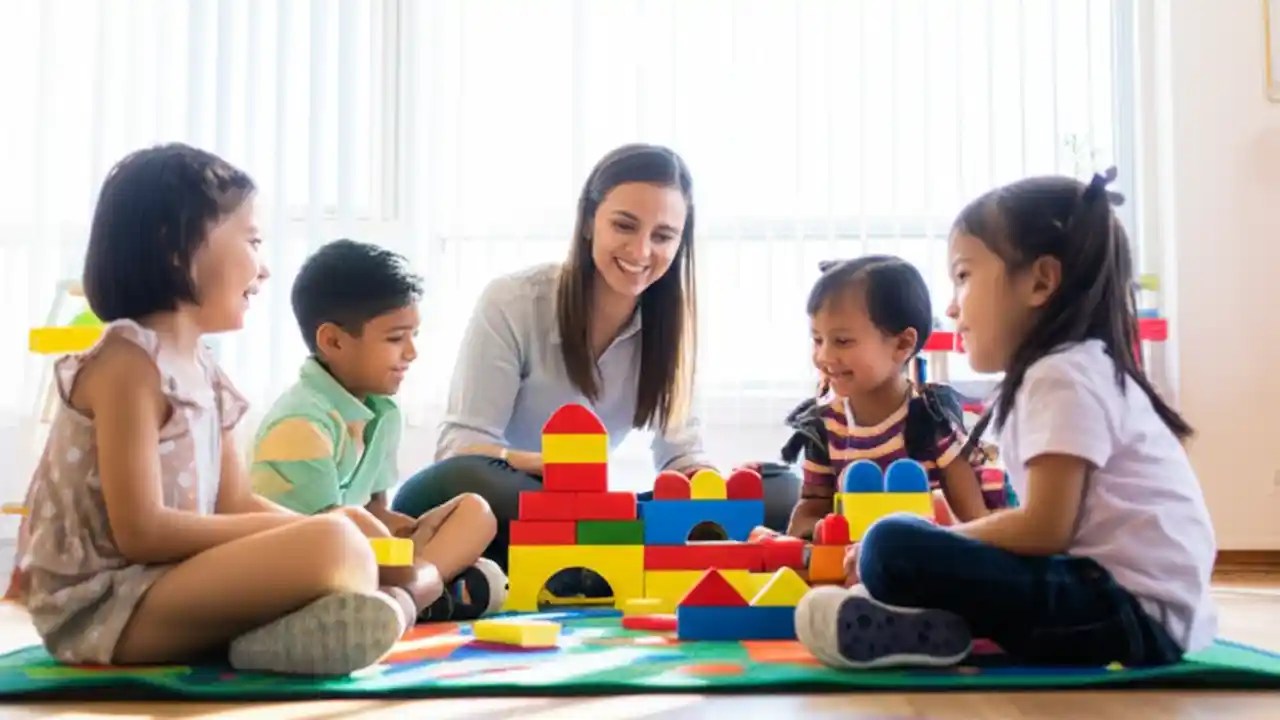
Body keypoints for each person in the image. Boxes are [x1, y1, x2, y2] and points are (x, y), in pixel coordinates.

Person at [7, 144, 410, 676]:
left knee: (346, 534)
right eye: (253, 241)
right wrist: (323, 535)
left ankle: (279, 637)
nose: (263, 271)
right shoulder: (128, 362)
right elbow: (142, 532)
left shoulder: (207, 373)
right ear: (176, 248)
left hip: (170, 584)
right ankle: (283, 632)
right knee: (338, 543)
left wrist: (330, 527)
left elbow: (236, 501)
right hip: (106, 607)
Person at [796, 169, 1217, 670]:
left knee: (890, 543)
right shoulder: (1074, 368)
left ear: (1040, 281)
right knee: (902, 543)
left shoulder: (1063, 374)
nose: (952, 306)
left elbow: (1045, 528)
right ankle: (928, 633)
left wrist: (942, 541)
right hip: (1128, 606)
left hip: (1124, 611)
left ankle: (913, 620)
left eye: (964, 276)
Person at [391, 143, 801, 586]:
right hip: (504, 497)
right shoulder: (512, 301)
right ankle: (613, 561)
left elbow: (680, 455)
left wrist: (716, 487)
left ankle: (595, 561)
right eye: (624, 225)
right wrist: (551, 465)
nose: (642, 250)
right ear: (589, 222)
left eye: (663, 236)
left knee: (783, 491)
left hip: (587, 514)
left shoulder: (675, 327)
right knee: (474, 484)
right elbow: (461, 445)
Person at [250, 239, 507, 622]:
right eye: (395, 338)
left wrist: (410, 530)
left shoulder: (382, 412)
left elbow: (374, 510)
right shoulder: (300, 425)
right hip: (312, 558)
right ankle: (421, 590)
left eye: (413, 336)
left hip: (364, 547)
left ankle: (415, 590)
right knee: (482, 579)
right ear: (333, 341)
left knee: (476, 512)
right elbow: (327, 528)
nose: (411, 353)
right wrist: (405, 547)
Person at [779, 255, 1000, 542]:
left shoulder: (930, 419)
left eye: (842, 341)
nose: (823, 356)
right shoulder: (823, 428)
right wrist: (816, 531)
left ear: (903, 344)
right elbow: (810, 509)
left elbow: (974, 520)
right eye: (818, 340)